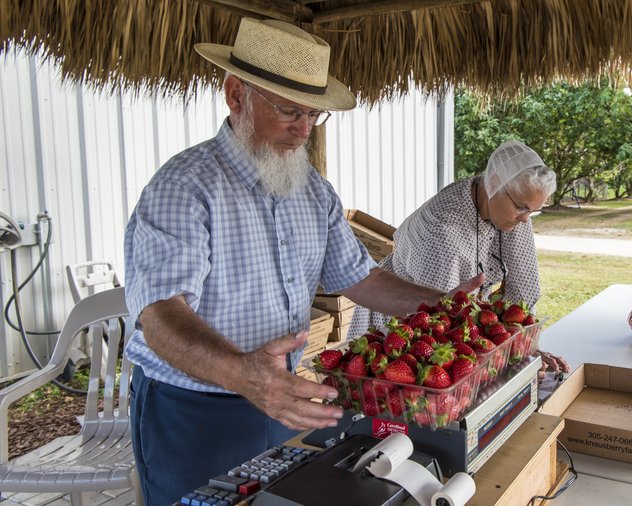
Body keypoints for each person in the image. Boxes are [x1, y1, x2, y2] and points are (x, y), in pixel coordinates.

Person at [123, 18, 483, 504]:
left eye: (314, 115)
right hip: (194, 409)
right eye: (290, 111)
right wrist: (244, 374)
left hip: (282, 398)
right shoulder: (184, 188)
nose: (303, 131)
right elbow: (160, 316)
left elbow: (361, 278)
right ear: (235, 96)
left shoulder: (311, 188)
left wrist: (442, 305)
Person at [348, 140, 570, 375]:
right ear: (494, 185)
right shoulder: (443, 230)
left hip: (454, 326)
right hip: (400, 329)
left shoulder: (513, 208)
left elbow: (523, 290)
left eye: (533, 211)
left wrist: (524, 347)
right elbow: (441, 322)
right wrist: (505, 354)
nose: (526, 219)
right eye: (522, 208)